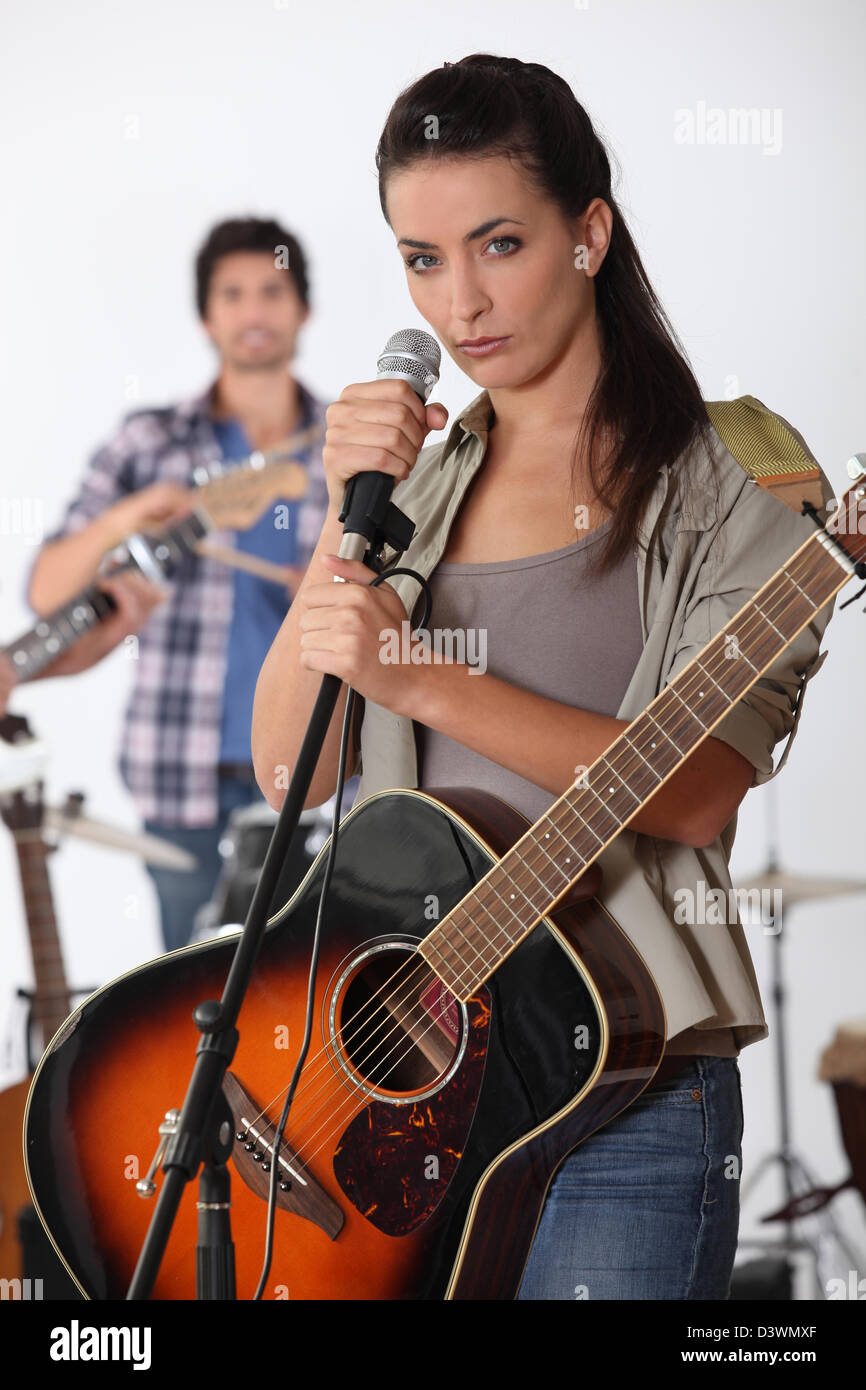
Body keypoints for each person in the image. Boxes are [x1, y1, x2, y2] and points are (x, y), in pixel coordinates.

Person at [251, 55, 836, 1299]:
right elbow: (282, 764)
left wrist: (419, 680)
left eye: (498, 243)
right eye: (421, 259)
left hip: (624, 1090)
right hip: (411, 1085)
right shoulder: (410, 482)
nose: (460, 301)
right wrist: (336, 524)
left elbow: (695, 793)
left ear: (588, 232)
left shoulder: (731, 469)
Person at [26, 216, 332, 952]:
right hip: (179, 770)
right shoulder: (147, 442)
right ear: (207, 315)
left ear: (303, 309)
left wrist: (329, 593)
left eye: (271, 291)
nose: (253, 311)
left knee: (306, 989)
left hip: (318, 774)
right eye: (232, 294)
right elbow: (45, 593)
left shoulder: (347, 446)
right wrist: (131, 515)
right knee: (182, 1010)